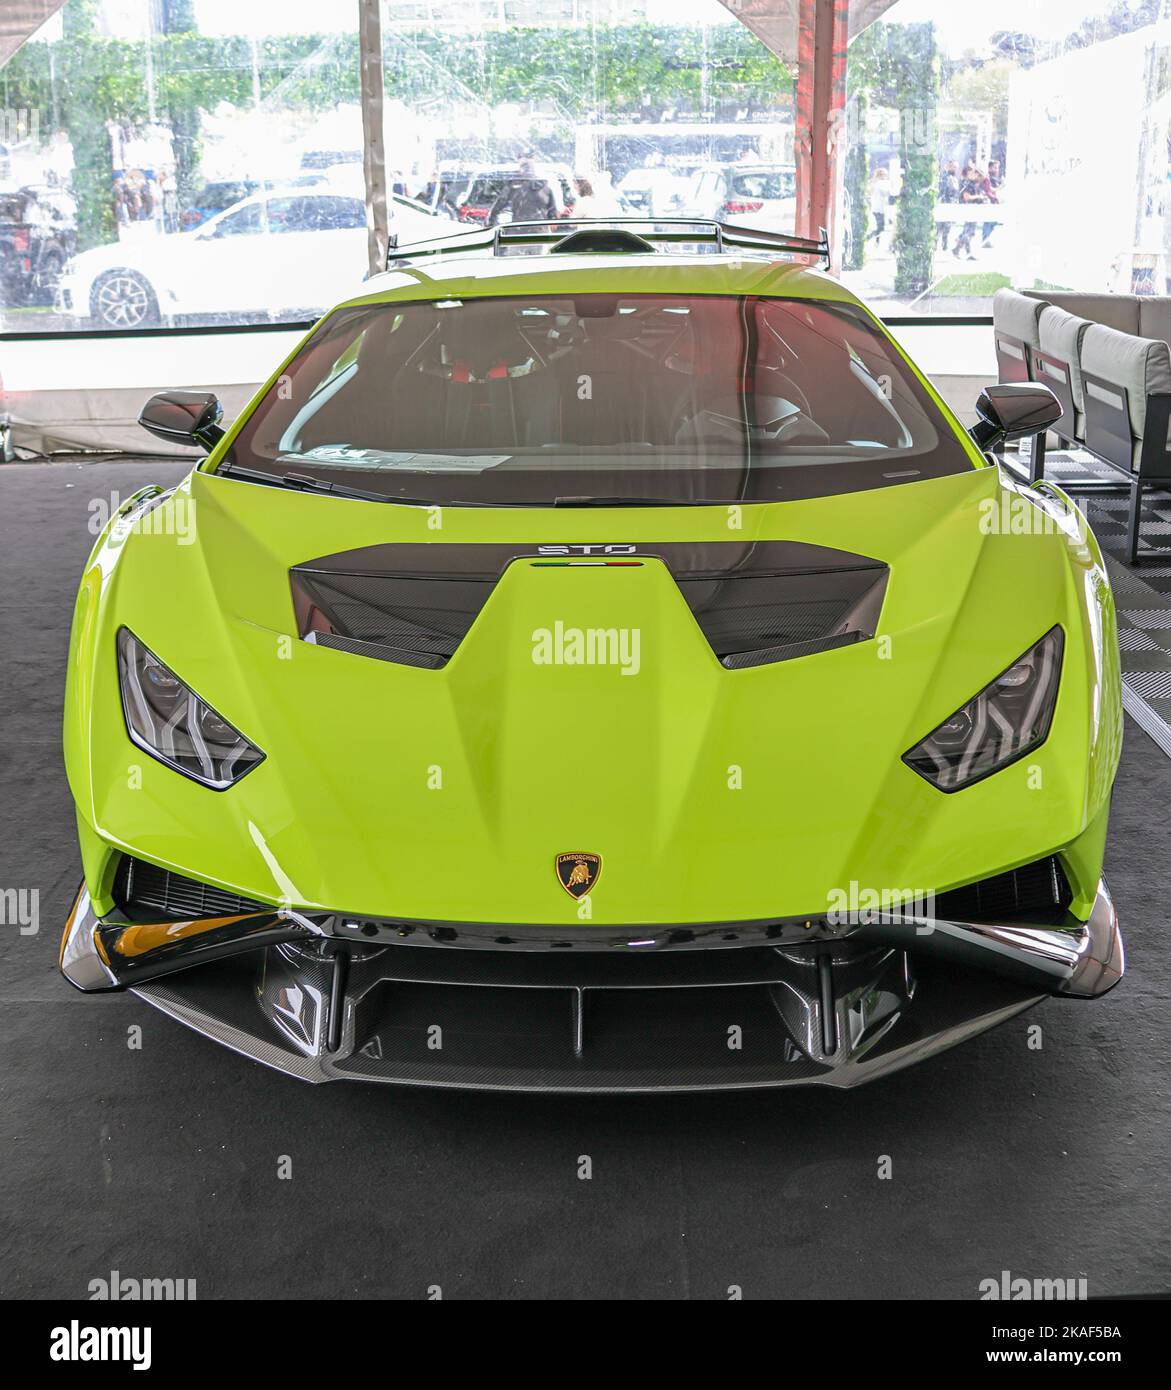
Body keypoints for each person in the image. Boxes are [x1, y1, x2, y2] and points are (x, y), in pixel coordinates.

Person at [488, 150, 558, 226]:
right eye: (522, 157)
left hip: (539, 232)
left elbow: (553, 212)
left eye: (529, 157)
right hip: (518, 231)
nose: (526, 160)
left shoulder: (544, 185)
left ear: (535, 160)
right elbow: (498, 206)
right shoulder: (513, 185)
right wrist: (491, 222)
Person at [954, 162, 986, 260]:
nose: (977, 176)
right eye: (974, 173)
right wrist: (979, 197)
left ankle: (959, 250)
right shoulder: (967, 184)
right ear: (969, 173)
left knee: (968, 232)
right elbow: (967, 197)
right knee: (968, 232)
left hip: (972, 211)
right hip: (969, 211)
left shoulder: (971, 184)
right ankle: (964, 252)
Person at [937, 160, 959, 251]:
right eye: (953, 167)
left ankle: (944, 245)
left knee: (947, 227)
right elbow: (943, 191)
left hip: (951, 204)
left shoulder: (954, 178)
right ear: (948, 166)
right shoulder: (945, 177)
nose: (955, 169)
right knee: (939, 227)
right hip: (945, 204)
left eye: (956, 167)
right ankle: (935, 245)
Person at [981, 158, 1002, 248]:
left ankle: (986, 238)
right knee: (989, 220)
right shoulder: (988, 178)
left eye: (997, 168)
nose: (996, 170)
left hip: (994, 201)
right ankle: (985, 239)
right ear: (989, 168)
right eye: (994, 168)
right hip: (989, 201)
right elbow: (989, 190)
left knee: (993, 221)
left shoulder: (995, 178)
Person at [869, 166, 890, 245]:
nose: (886, 176)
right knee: (881, 227)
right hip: (878, 209)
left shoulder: (875, 183)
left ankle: (876, 241)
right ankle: (869, 238)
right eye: (885, 175)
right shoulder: (879, 183)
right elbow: (885, 193)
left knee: (880, 227)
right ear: (881, 175)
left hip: (877, 208)